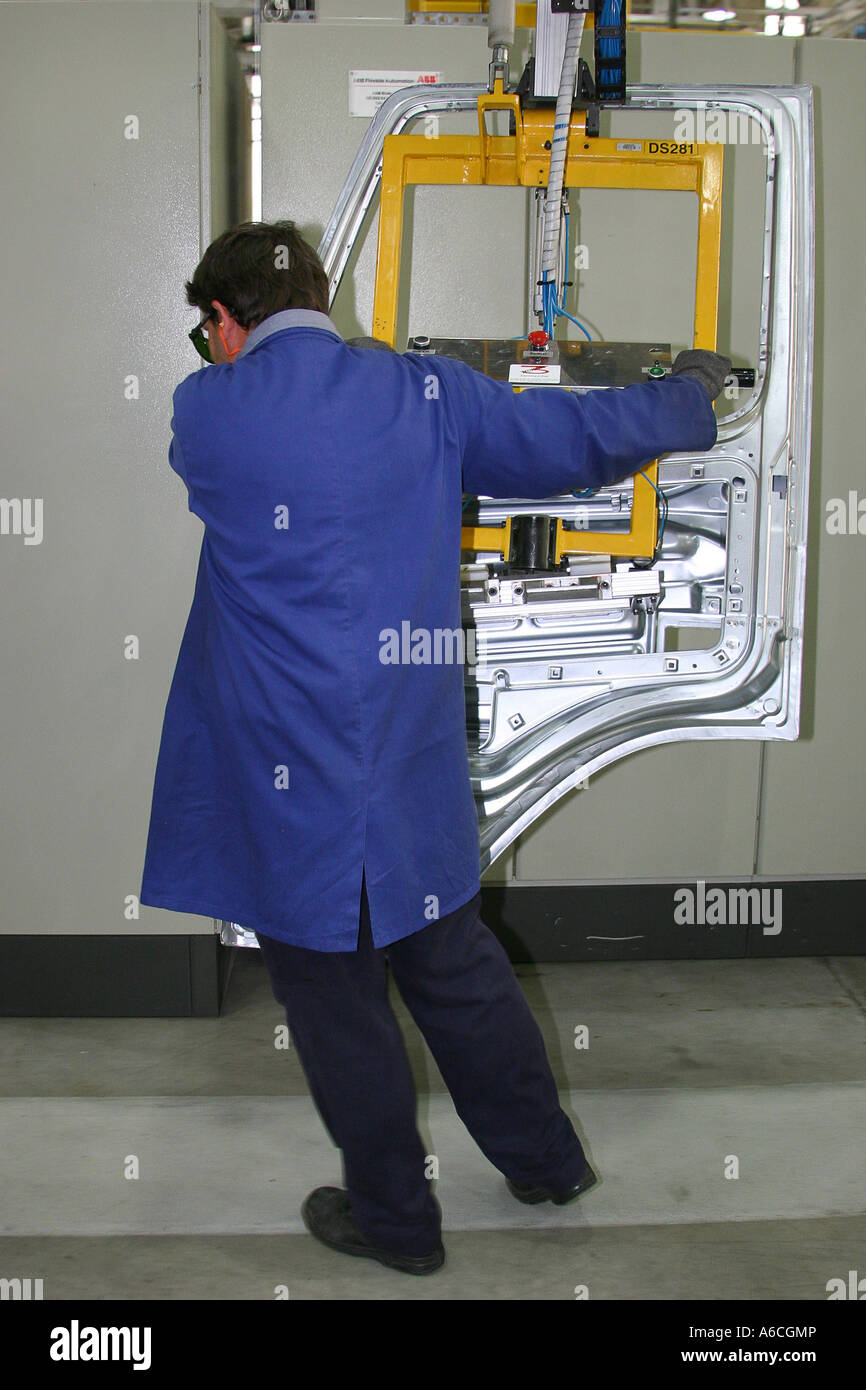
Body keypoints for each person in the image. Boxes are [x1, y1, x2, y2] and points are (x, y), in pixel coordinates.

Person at [140, 219, 730, 1276]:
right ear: (322, 296)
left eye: (208, 331)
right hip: (403, 761)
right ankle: (543, 1163)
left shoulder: (206, 413)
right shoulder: (423, 396)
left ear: (222, 323)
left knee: (334, 1003)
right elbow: (571, 438)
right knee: (454, 969)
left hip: (289, 781)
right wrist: (684, 391)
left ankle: (398, 1224)